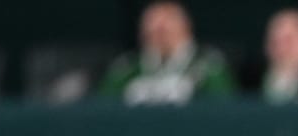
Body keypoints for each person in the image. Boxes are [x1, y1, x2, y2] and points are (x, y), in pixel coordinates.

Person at [98, 1, 236, 105]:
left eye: (166, 31)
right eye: (154, 32)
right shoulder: (127, 69)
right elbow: (104, 109)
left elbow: (223, 107)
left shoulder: (208, 66)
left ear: (185, 29)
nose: (160, 37)